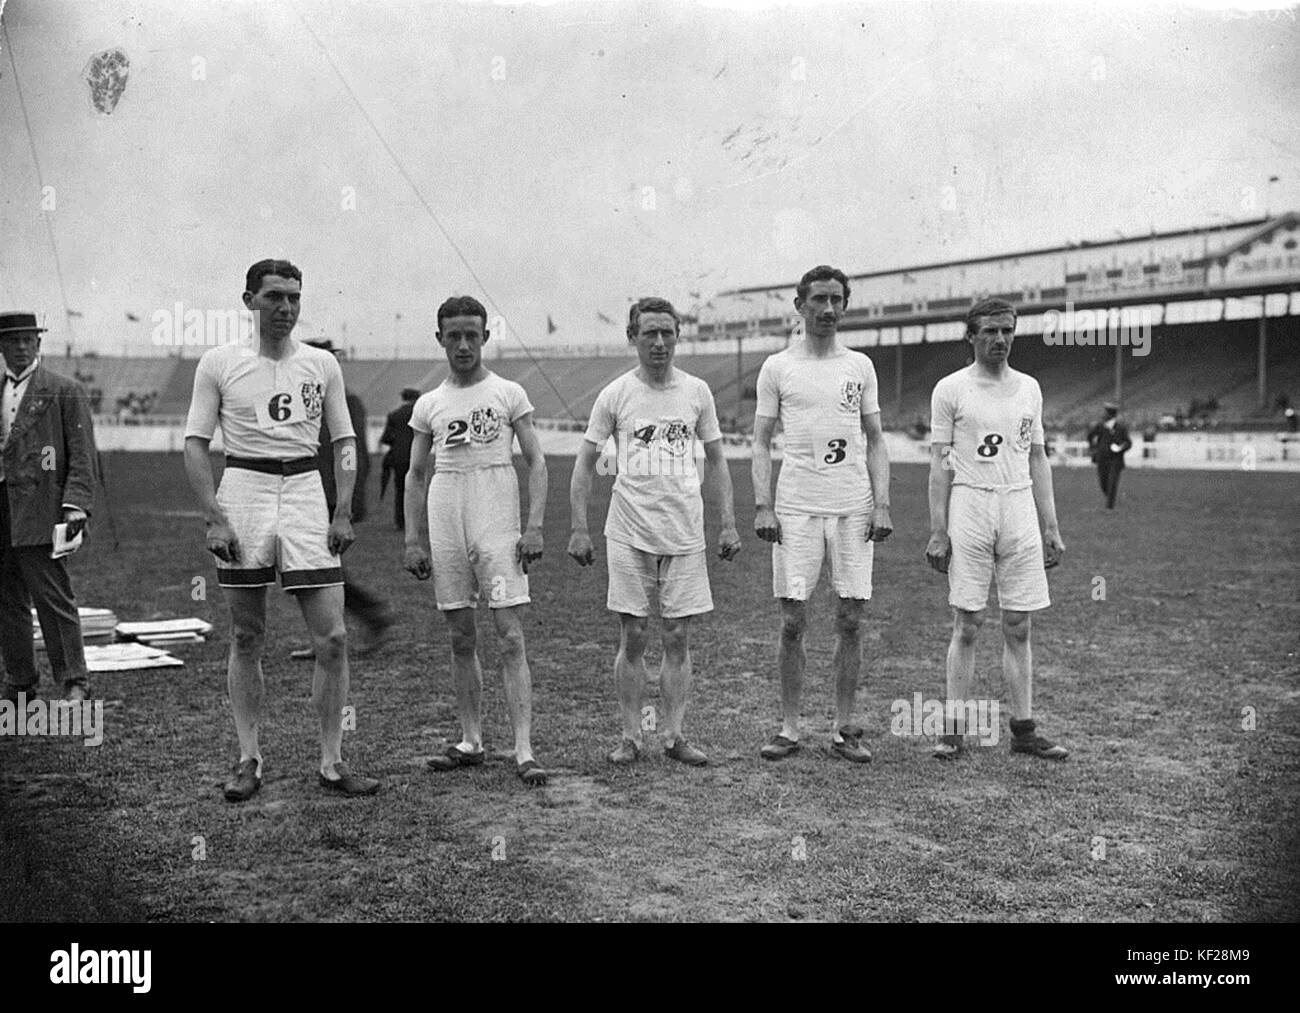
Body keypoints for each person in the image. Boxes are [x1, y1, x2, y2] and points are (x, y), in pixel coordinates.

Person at [183, 259, 379, 801]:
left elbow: (344, 441)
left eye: (293, 297)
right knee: (247, 635)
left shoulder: (321, 365)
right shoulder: (219, 363)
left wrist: (341, 512)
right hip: (244, 488)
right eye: (273, 297)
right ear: (250, 300)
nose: (285, 308)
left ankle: (333, 761)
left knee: (334, 638)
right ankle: (249, 758)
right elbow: (196, 443)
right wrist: (214, 517)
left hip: (304, 495)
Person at [568, 297, 742, 767]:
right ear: (633, 337)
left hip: (684, 532)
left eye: (667, 333)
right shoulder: (616, 394)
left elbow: (719, 459)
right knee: (635, 634)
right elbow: (586, 463)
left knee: (679, 636)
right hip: (628, 531)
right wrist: (579, 528)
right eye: (649, 333)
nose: (660, 342)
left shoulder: (697, 392)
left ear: (677, 336)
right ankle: (630, 736)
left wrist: (726, 522)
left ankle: (674, 734)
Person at [402, 296, 550, 786]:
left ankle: (524, 748)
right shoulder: (429, 404)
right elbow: (416, 475)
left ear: (485, 337)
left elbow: (536, 462)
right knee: (460, 635)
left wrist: (534, 526)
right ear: (440, 338)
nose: (463, 344)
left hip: (496, 512)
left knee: (509, 634)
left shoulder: (508, 393)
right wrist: (413, 540)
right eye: (454, 335)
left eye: (472, 334)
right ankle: (471, 740)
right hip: (447, 511)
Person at [751, 265, 893, 763]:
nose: (828, 309)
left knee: (851, 618)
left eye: (836, 300)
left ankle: (844, 727)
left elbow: (875, 439)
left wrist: (883, 502)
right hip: (796, 506)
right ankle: (789, 728)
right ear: (800, 305)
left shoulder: (860, 366)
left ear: (845, 306)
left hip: (852, 506)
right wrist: (764, 503)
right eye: (818, 300)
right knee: (793, 620)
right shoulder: (778, 367)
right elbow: (762, 441)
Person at [925, 297, 1068, 761]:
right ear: (971, 336)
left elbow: (1037, 456)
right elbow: (939, 463)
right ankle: (953, 728)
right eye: (989, 331)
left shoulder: (1030, 388)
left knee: (1019, 623)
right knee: (967, 623)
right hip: (971, 500)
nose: (1000, 339)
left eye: (1007, 330)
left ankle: (1023, 729)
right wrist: (937, 529)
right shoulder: (951, 389)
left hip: (1018, 503)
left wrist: (1050, 525)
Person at [0, 312, 96, 705]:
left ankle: (74, 679)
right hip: (2, 507)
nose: (21, 347)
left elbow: (82, 455)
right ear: (1, 346)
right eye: (12, 341)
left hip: (42, 508)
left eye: (28, 340)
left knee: (53, 597)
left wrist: (76, 507)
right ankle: (21, 679)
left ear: (39, 343)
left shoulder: (63, 390)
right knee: (6, 599)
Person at [289, 338, 395, 659]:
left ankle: (373, 616)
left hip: (331, 500)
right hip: (308, 496)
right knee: (309, 571)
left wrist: (343, 506)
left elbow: (354, 453)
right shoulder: (305, 401)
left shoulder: (346, 401)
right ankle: (333, 631)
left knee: (318, 572)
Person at [379, 387, 420, 530]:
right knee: (415, 491)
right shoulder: (418, 414)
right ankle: (413, 522)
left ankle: (399, 522)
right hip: (416, 456)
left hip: (398, 458)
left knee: (400, 491)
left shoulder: (393, 415)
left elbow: (385, 438)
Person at [1086, 401, 1132, 509]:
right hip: (1102, 459)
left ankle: (1109, 507)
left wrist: (1120, 448)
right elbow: (1090, 437)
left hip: (1115, 460)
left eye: (1105, 412)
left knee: (1112, 483)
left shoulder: (1121, 428)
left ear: (1110, 414)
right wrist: (1093, 449)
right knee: (1103, 483)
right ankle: (1109, 498)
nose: (1103, 414)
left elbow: (1128, 443)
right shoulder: (1100, 426)